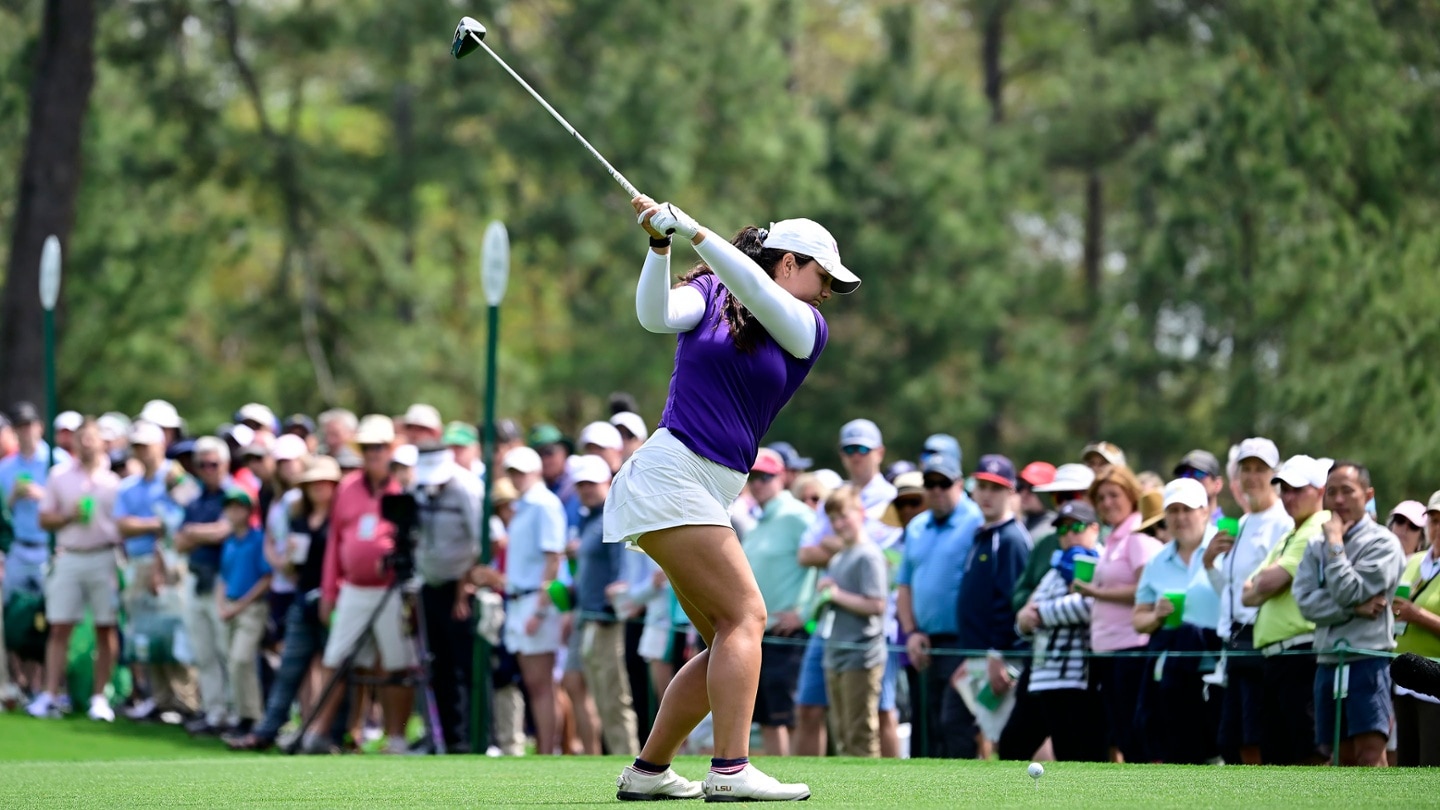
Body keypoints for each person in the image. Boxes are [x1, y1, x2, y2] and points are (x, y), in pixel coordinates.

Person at [608, 197, 859, 802]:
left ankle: (649, 771)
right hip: (672, 472)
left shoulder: (805, 327)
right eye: (823, 277)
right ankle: (730, 768)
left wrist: (693, 230)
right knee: (747, 618)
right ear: (791, 262)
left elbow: (754, 287)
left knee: (727, 638)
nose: (826, 292)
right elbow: (655, 314)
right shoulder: (711, 293)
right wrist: (660, 247)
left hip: (701, 486)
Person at [303, 415, 415, 756]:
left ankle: (396, 737)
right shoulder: (348, 487)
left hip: (392, 588)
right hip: (352, 587)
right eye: (367, 448)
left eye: (379, 447)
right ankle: (321, 733)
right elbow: (336, 542)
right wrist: (329, 591)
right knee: (337, 659)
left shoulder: (404, 484)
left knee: (396, 664)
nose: (373, 454)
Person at [793, 419, 899, 758]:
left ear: (879, 453)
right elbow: (805, 553)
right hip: (833, 631)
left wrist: (835, 545)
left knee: (876, 716)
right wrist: (844, 545)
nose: (856, 456)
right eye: (849, 449)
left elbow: (883, 557)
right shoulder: (837, 496)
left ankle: (893, 789)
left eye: (863, 449)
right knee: (820, 712)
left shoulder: (891, 499)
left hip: (873, 633)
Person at [225, 455, 342, 752]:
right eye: (313, 483)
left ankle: (329, 734)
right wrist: (288, 558)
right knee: (290, 668)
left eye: (324, 482)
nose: (318, 488)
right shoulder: (299, 517)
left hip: (335, 599)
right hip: (303, 597)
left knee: (334, 670)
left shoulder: (340, 519)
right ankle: (267, 731)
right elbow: (293, 569)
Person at [1293, 461, 1405, 767]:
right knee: (1340, 757)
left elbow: (1348, 591)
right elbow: (1304, 602)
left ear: (1368, 495)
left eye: (1348, 491)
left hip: (1367, 659)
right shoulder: (1314, 543)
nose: (1338, 500)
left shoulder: (1383, 543)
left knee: (1370, 753)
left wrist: (1335, 545)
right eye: (1332, 492)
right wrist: (1353, 609)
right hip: (1328, 660)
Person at [1204, 437, 1291, 765]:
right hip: (1235, 641)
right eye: (1246, 469)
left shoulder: (1282, 522)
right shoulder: (1241, 523)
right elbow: (1228, 589)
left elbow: (1270, 587)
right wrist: (1209, 564)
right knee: (1231, 739)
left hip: (1261, 639)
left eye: (1260, 469)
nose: (1252, 476)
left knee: (1254, 738)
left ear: (1275, 474)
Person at [28, 419, 121, 721]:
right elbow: (45, 519)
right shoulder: (59, 475)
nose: (86, 443)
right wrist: (68, 515)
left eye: (91, 438)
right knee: (59, 627)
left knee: (105, 628)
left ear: (102, 442)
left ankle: (99, 697)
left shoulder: (114, 478)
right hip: (70, 555)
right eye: (81, 438)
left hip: (104, 555)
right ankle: (50, 693)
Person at [1003, 500, 1107, 762]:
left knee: (1078, 756)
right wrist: (1025, 620)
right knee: (1012, 745)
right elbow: (1024, 616)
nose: (1069, 535)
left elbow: (1089, 606)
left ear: (1094, 528)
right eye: (1062, 530)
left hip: (1077, 679)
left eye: (1077, 527)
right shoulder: (1055, 569)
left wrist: (1040, 615)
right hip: (1042, 676)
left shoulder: (1100, 562)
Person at [897, 448, 983, 759]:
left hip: (963, 641)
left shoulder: (977, 521)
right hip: (925, 642)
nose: (936, 491)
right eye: (930, 484)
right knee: (929, 725)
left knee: (956, 725)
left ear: (959, 484)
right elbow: (904, 585)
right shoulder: (917, 527)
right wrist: (911, 632)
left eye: (943, 484)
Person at [1241, 454, 1327, 765]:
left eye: (1297, 489)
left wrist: (1266, 581)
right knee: (1277, 755)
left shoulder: (1317, 528)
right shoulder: (1289, 534)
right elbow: (1246, 594)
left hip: (1302, 654)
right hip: (1276, 657)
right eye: (1284, 489)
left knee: (1308, 752)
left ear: (1320, 490)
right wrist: (1265, 582)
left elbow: (1265, 584)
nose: (1288, 497)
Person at [1131, 478, 1223, 764]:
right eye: (1173, 511)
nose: (1180, 517)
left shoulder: (1225, 548)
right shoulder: (1157, 562)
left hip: (1220, 664)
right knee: (1178, 747)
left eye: (1187, 509)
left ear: (1205, 511)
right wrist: (1156, 615)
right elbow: (1138, 620)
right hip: (1173, 670)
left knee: (1219, 747)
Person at [115, 421, 196, 722]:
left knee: (176, 631)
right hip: (138, 564)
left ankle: (185, 700)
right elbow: (123, 525)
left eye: (145, 446)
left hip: (172, 563)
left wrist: (150, 525)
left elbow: (189, 511)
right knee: (147, 635)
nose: (141, 452)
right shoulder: (128, 486)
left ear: (160, 446)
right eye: (136, 447)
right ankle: (160, 699)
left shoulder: (176, 476)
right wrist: (157, 523)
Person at [1078, 465, 1160, 763]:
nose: (1107, 503)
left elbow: (1146, 590)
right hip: (1107, 650)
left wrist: (1096, 593)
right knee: (1121, 734)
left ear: (1131, 495)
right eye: (1100, 498)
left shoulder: (1137, 535)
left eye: (1114, 495)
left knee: (1135, 735)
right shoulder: (1114, 538)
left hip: (1131, 649)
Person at [741, 448, 816, 756]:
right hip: (762, 633)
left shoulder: (798, 515)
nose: (758, 484)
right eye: (753, 477)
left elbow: (827, 562)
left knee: (791, 716)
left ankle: (802, 782)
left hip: (788, 634)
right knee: (770, 719)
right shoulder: (757, 521)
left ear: (782, 477)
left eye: (765, 477)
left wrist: (806, 612)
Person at [954, 455, 1031, 756]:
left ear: (1011, 492)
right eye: (982, 486)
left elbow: (1010, 602)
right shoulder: (982, 535)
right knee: (988, 735)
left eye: (996, 488)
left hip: (1002, 659)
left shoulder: (1010, 539)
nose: (986, 494)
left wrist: (997, 654)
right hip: (979, 656)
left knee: (1006, 739)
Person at [413, 443, 485, 753]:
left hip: (462, 589)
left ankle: (473, 738)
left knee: (463, 666)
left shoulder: (467, 488)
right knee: (438, 665)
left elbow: (480, 542)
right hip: (429, 586)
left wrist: (463, 586)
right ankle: (448, 740)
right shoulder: (419, 487)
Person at [502, 445, 568, 757]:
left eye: (521, 472)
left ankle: (547, 751)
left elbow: (553, 559)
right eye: (512, 472)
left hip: (534, 602)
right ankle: (546, 748)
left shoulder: (543, 504)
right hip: (520, 600)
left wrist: (540, 609)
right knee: (535, 683)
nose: (516, 478)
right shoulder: (526, 505)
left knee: (541, 684)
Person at [571, 454, 639, 756]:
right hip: (589, 618)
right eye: (581, 484)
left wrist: (617, 599)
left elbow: (623, 567)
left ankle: (630, 757)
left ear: (606, 483)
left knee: (614, 697)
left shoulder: (612, 516)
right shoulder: (588, 519)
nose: (586, 489)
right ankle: (612, 757)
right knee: (600, 696)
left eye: (591, 483)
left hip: (608, 619)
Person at [173, 435, 239, 735]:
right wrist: (202, 533)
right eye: (202, 465)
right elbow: (178, 541)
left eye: (213, 464)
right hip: (197, 578)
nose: (208, 469)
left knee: (227, 651)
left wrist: (195, 532)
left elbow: (224, 531)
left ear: (225, 464)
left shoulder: (234, 494)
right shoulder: (196, 498)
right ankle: (215, 712)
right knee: (205, 652)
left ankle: (236, 711)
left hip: (224, 582)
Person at [817, 486, 888, 758]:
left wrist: (836, 594)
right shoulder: (838, 557)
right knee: (842, 734)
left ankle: (869, 796)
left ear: (861, 513)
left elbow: (876, 605)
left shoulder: (869, 554)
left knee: (860, 734)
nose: (838, 524)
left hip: (861, 654)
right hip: (835, 651)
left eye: (843, 516)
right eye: (833, 519)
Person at [0, 402, 69, 603]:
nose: (26, 431)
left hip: (51, 547)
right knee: (15, 610)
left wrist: (42, 495)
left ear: (39, 426)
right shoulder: (5, 468)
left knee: (52, 608)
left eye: (29, 425)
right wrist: (12, 497)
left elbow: (72, 504)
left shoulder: (59, 461)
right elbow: (3, 513)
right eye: (20, 426)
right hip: (19, 547)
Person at [217, 488, 272, 736]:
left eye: (239, 507)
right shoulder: (229, 542)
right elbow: (223, 577)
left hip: (251, 608)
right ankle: (242, 716)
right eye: (230, 507)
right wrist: (222, 605)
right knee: (233, 663)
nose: (234, 512)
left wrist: (240, 605)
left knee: (242, 660)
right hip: (229, 606)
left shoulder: (258, 539)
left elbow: (266, 577)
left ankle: (253, 717)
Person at [1392, 491, 1440, 766]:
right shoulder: (1413, 562)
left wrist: (1418, 615)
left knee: (1431, 766)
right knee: (1405, 768)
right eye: (1433, 519)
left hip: (1435, 683)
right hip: (1405, 682)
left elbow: (1413, 612)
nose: (1437, 527)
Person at [1012, 463, 1095, 612]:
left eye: (1071, 496)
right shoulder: (1045, 544)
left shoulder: (1108, 544)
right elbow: (1019, 594)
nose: (1065, 504)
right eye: (1058, 497)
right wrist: (1037, 603)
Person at [1173, 449, 1226, 526]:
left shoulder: (1230, 531)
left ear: (1217, 484)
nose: (1191, 480)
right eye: (1185, 475)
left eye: (1199, 474)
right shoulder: (1175, 529)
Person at [1017, 461, 1057, 539]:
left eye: (1031, 488)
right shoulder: (1019, 524)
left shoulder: (1054, 528)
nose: (1024, 493)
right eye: (1021, 486)